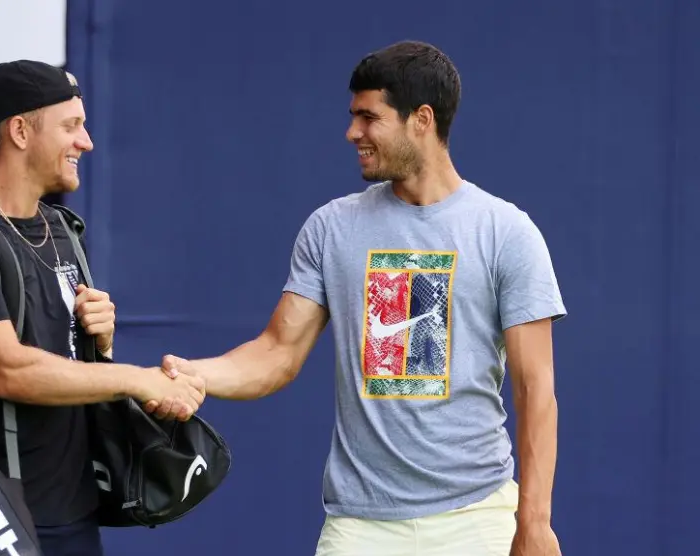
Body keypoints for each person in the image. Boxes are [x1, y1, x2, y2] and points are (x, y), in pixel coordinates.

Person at [152, 41, 566, 555]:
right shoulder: (330, 228)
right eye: (353, 117)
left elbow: (534, 388)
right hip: (359, 526)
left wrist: (534, 522)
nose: (352, 133)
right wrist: (196, 374)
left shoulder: (507, 233)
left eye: (369, 118)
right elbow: (278, 352)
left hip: (477, 517)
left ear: (422, 120)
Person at [0, 59, 205, 556]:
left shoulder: (62, 230)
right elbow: (10, 371)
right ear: (20, 131)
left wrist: (100, 345)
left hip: (73, 514)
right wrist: (137, 379)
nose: (86, 142)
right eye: (71, 126)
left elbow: (63, 364)